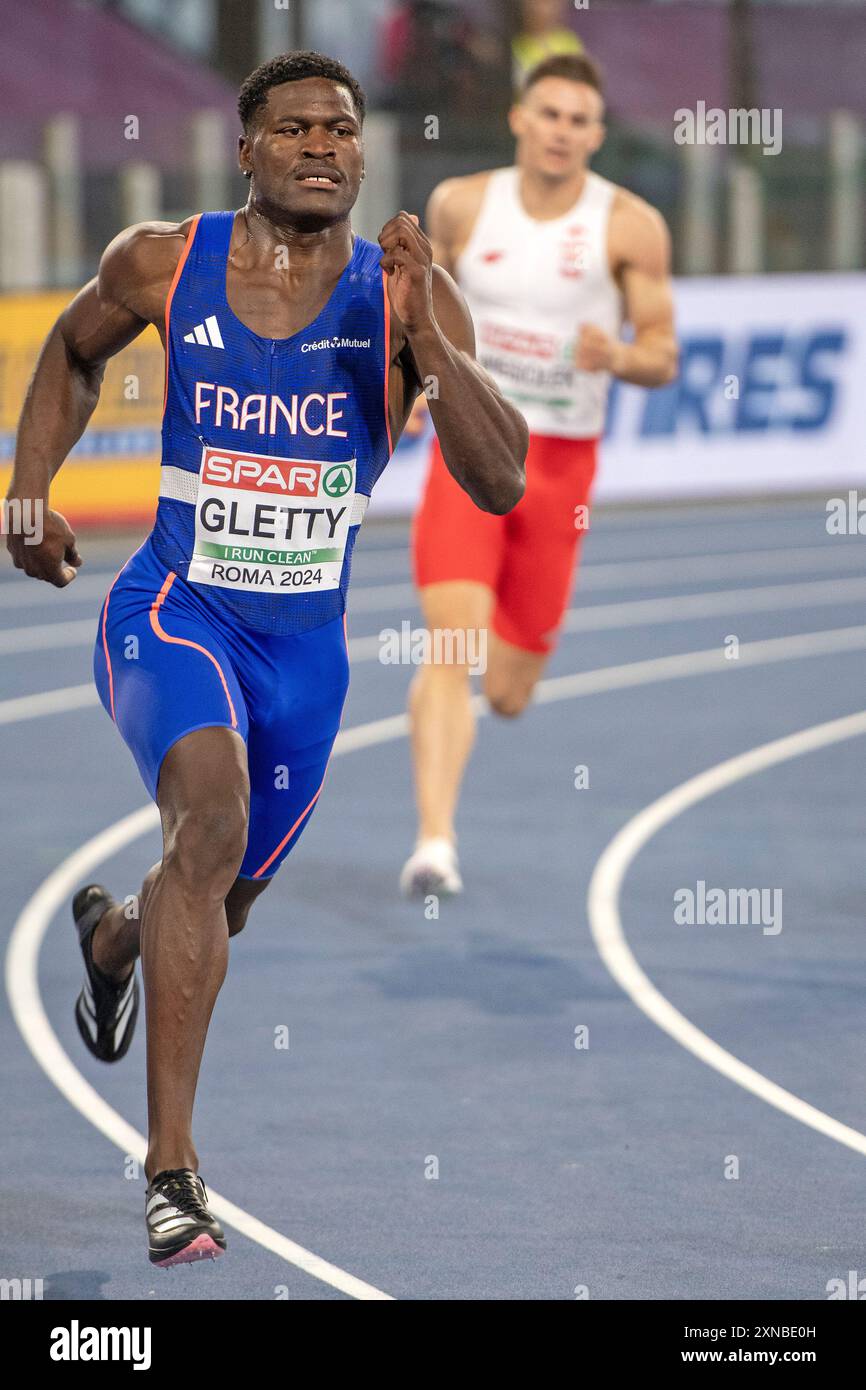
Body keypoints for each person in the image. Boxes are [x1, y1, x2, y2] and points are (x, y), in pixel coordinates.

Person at [4, 50, 527, 1267]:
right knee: (211, 827)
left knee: (218, 900)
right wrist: (28, 491)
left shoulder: (403, 294)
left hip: (305, 660)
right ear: (245, 149)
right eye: (291, 128)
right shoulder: (163, 259)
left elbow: (499, 480)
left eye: (340, 129)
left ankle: (115, 940)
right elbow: (74, 353)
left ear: (363, 152)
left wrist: (426, 342)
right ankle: (174, 1173)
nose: (319, 146)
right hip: (174, 613)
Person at [400, 52, 677, 897]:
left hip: (559, 467)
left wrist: (619, 354)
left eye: (580, 120)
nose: (562, 132)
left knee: (511, 690)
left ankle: (500, 689)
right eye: (548, 114)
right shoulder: (461, 204)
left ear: (597, 134)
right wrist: (414, 386)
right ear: (520, 118)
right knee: (450, 643)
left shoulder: (629, 226)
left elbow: (663, 355)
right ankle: (435, 842)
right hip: (469, 449)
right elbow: (410, 304)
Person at [511, 0, 584, 88]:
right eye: (536, 3)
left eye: (549, 3)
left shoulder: (568, 41)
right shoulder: (514, 45)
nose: (542, 10)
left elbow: (580, 81)